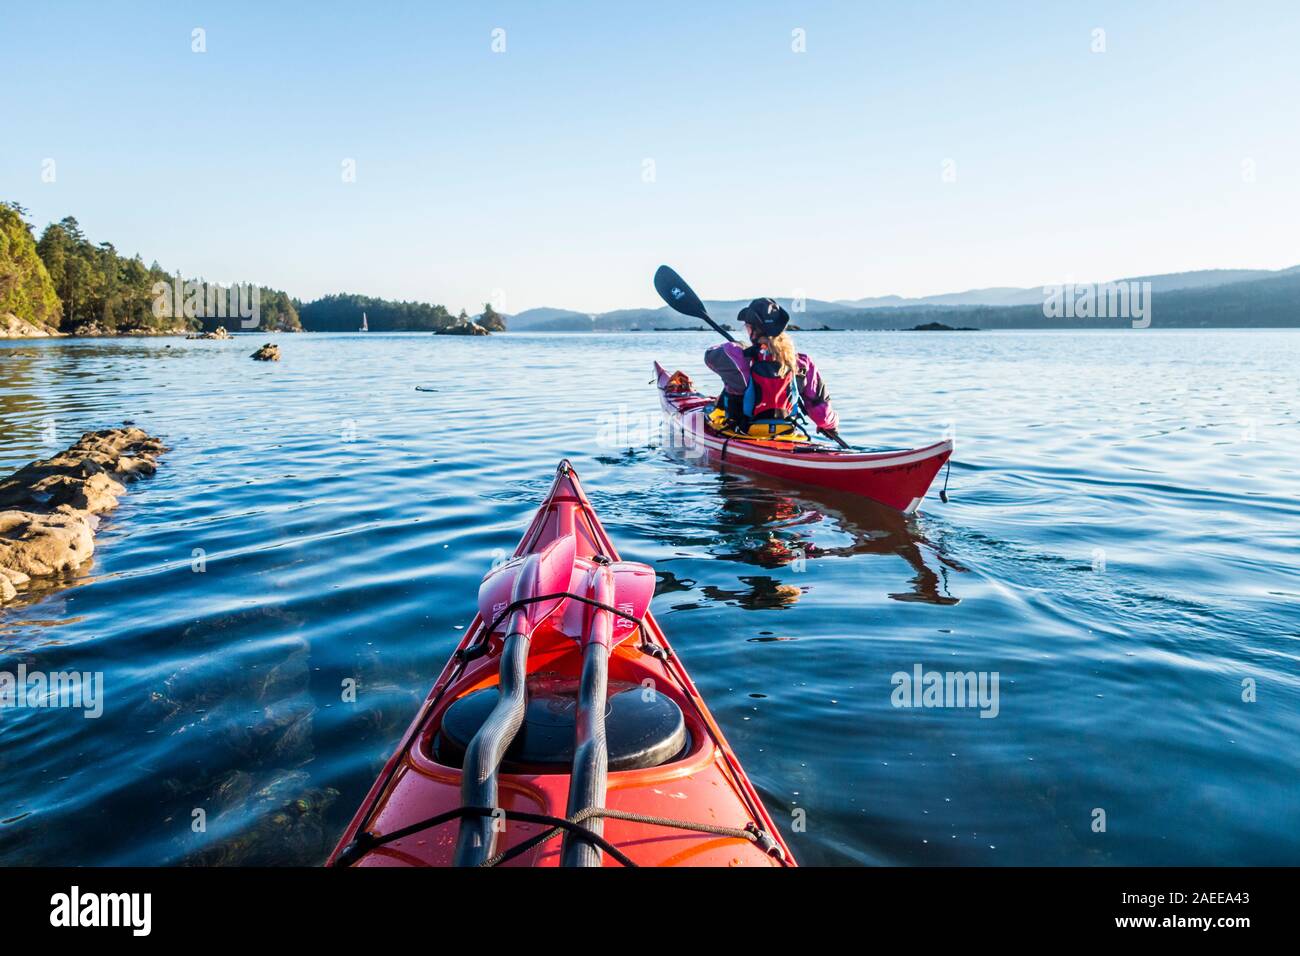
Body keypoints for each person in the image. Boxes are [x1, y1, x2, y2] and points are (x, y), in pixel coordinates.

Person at [703, 297, 839, 439]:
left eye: (747, 326)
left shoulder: (737, 356)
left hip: (744, 432)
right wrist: (831, 427)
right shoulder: (801, 363)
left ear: (753, 329)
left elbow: (709, 356)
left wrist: (742, 347)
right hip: (785, 432)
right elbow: (821, 413)